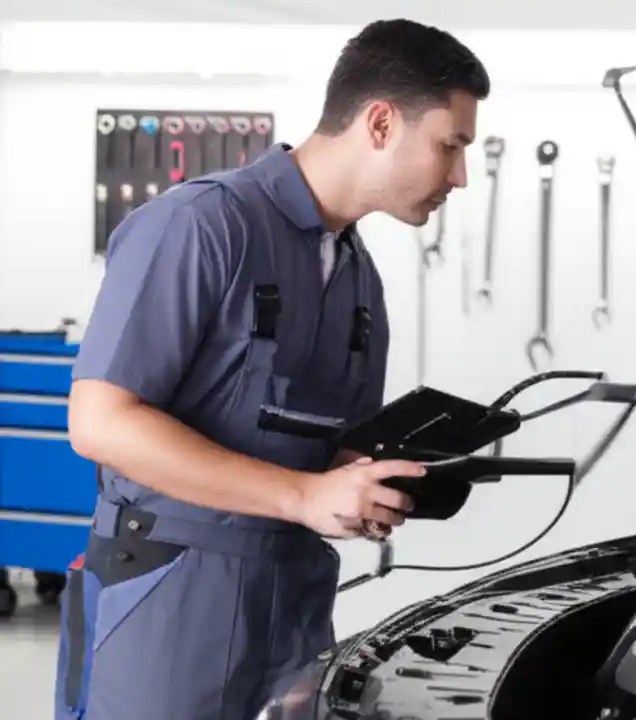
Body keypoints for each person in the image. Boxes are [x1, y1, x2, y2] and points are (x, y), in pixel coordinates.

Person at [53, 19, 489, 720]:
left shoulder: (358, 278)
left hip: (294, 599)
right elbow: (100, 422)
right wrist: (303, 497)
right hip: (168, 594)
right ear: (381, 123)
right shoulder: (202, 224)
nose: (459, 177)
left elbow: (309, 452)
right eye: (451, 146)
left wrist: (358, 480)